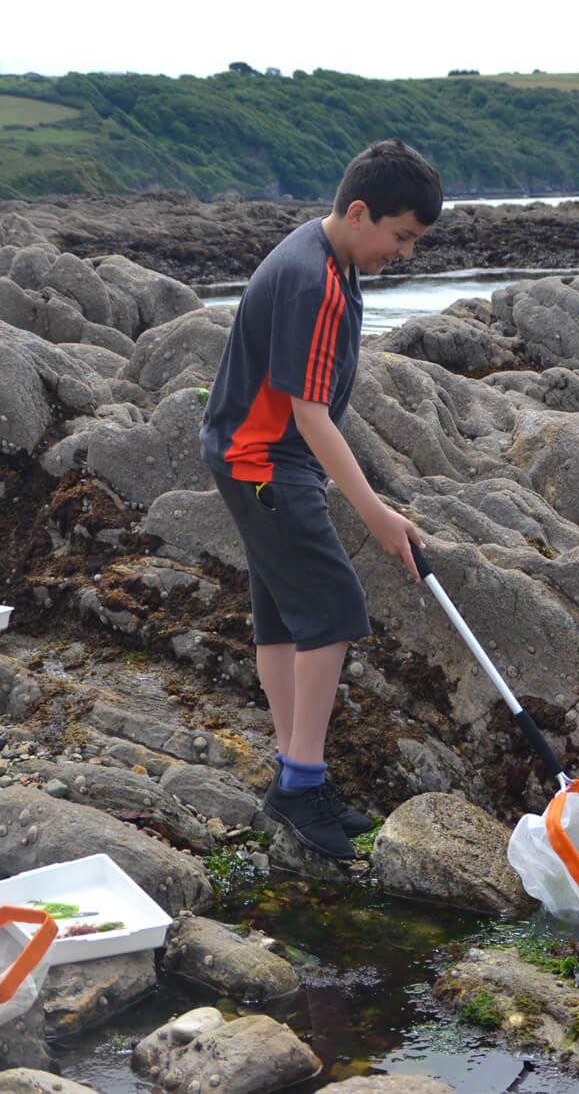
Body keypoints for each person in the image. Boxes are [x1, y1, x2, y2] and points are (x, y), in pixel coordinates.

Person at [199, 139, 442, 859]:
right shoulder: (314, 280)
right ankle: (303, 782)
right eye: (399, 237)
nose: (402, 253)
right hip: (263, 458)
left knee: (283, 612)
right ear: (360, 211)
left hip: (260, 452)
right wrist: (374, 510)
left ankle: (293, 772)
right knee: (333, 606)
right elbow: (309, 412)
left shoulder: (324, 252)